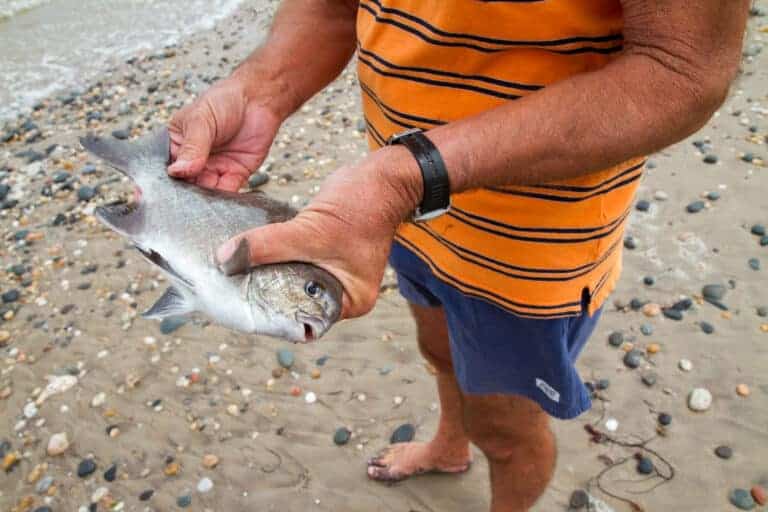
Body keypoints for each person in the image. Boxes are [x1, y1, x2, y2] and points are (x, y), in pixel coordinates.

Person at [168, 1, 748, 510]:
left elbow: (683, 71)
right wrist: (262, 89)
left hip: (527, 250)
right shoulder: (386, 192)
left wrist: (406, 176)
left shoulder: (407, 187)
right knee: (439, 350)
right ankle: (449, 446)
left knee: (503, 430)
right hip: (391, 212)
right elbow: (332, 5)